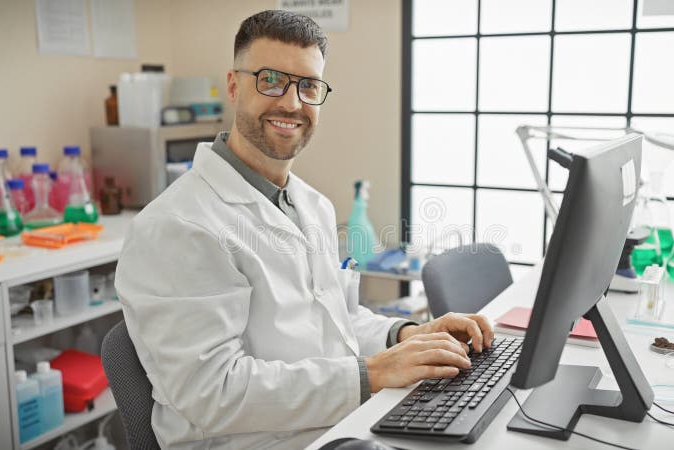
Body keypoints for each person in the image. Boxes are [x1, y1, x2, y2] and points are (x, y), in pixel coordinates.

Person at [115, 10, 494, 449]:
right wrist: (372, 373)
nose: (292, 103)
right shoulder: (176, 226)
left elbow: (338, 319)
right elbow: (212, 392)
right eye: (271, 79)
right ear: (235, 86)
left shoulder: (311, 203)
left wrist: (407, 337)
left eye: (308, 86)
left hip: (336, 422)